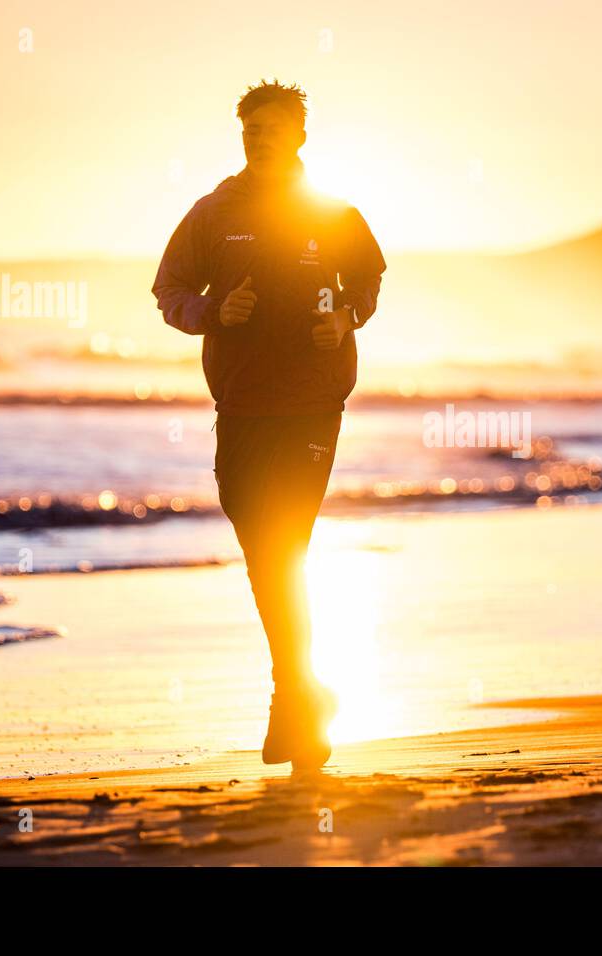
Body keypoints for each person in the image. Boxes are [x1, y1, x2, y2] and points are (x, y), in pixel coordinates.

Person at [152, 80, 386, 769]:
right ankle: (306, 689)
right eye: (251, 129)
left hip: (313, 403)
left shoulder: (334, 213)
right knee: (261, 546)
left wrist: (345, 317)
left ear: (299, 137)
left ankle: (293, 703)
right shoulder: (213, 213)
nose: (261, 139)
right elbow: (169, 291)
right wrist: (211, 313)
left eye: (274, 129)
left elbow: (367, 282)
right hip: (241, 405)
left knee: (284, 545)